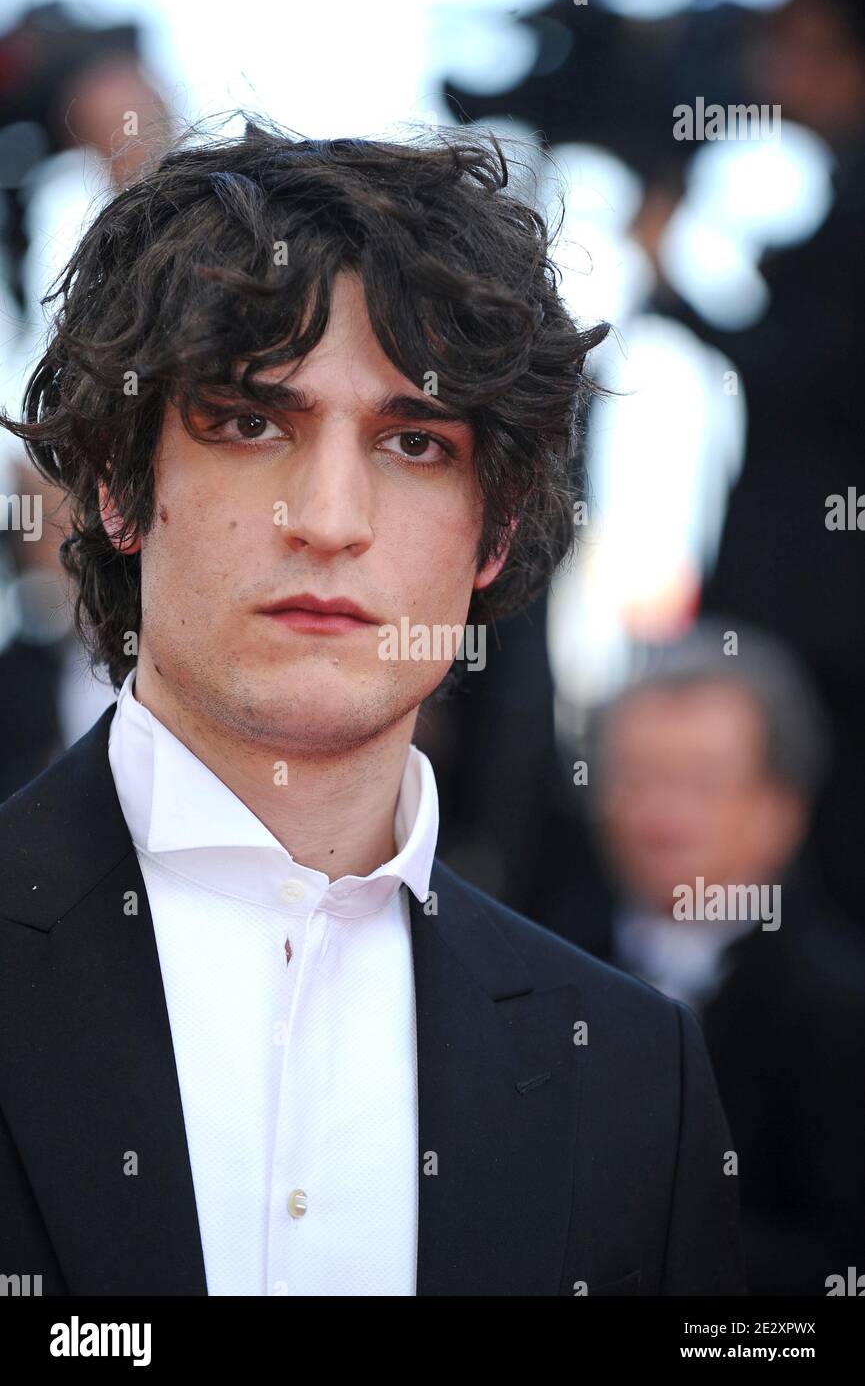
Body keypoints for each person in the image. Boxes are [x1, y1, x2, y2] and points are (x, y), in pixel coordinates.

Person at [0, 119, 745, 1297]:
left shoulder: (633, 1077)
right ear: (118, 486)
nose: (330, 516)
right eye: (251, 422)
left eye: (412, 440)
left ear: (494, 530)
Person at [545, 622, 865, 1295]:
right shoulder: (535, 962)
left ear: (781, 806)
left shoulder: (836, 1010)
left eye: (701, 782)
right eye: (635, 777)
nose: (662, 818)